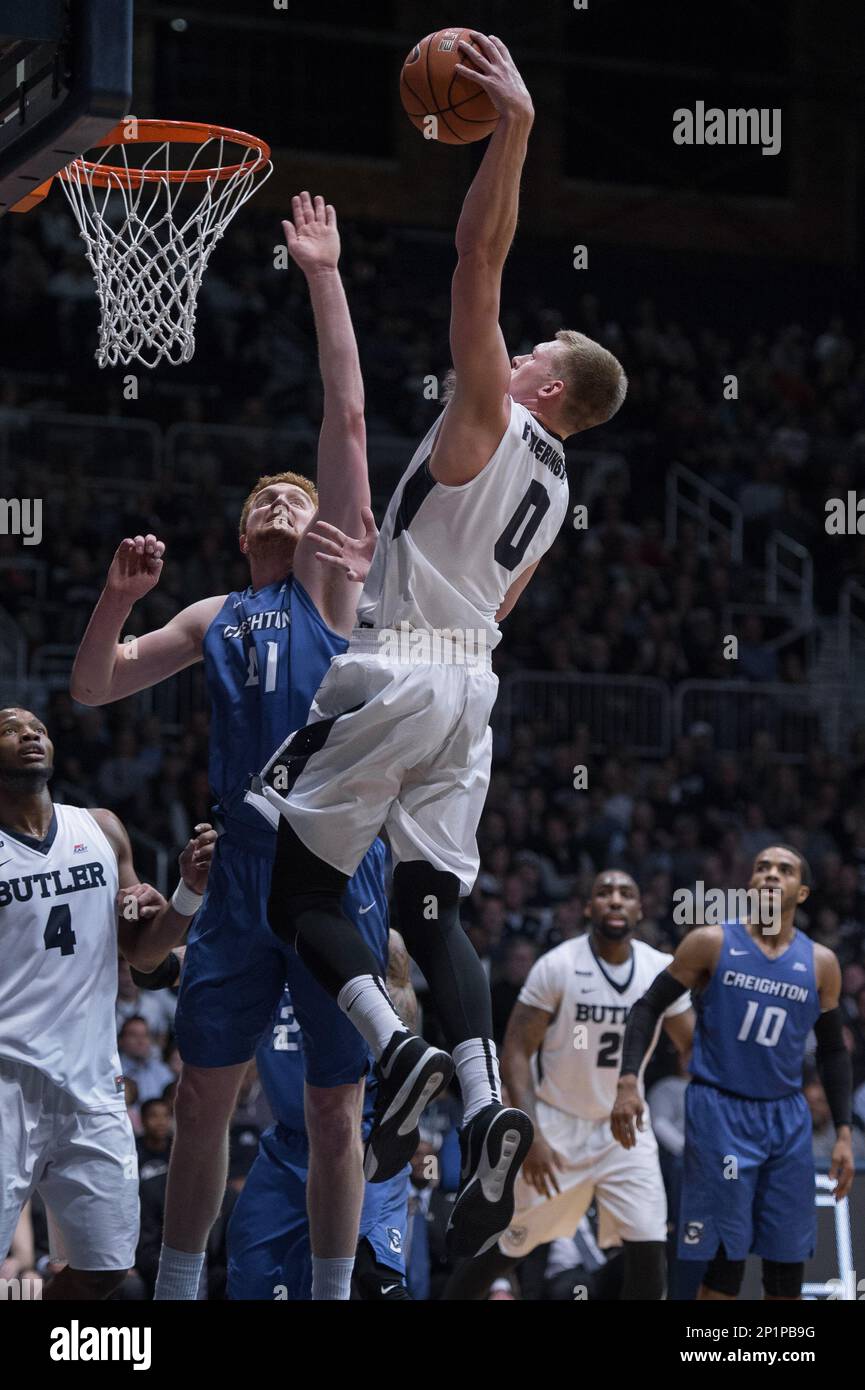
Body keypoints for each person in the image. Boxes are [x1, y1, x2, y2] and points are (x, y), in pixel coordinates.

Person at [259, 31, 628, 1261]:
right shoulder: (560, 492)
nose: (512, 348)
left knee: (299, 888)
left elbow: (479, 253)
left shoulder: (488, 409)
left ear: (547, 391)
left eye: (532, 355)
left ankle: (395, 1044)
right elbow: (500, 604)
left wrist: (514, 129)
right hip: (473, 681)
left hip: (405, 660)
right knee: (429, 908)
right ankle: (481, 1104)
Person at [71, 193, 386, 1302]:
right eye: (269, 494)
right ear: (246, 525)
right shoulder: (213, 614)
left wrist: (322, 274)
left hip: (335, 860)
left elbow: (345, 423)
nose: (286, 499)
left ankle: (335, 1288)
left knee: (331, 1103)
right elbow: (94, 684)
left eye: (300, 495)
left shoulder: (330, 583)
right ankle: (174, 1292)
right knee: (207, 1095)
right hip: (240, 868)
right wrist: (115, 601)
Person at [0, 706, 214, 1300]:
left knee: (108, 1267)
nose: (29, 735)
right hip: (5, 1078)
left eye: (38, 728)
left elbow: (144, 955)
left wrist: (187, 893)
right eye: (11, 729)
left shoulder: (100, 828)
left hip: (90, 1078)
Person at [612, 845, 855, 1301]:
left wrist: (842, 1131)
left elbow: (833, 1052)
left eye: (784, 870)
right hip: (720, 1111)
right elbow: (647, 1007)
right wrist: (629, 1080)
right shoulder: (712, 942)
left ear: (800, 892)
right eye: (762, 867)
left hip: (786, 1117)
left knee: (786, 1267)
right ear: (749, 883)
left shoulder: (821, 963)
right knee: (725, 1260)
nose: (770, 875)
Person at [442, 870, 693, 1299]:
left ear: (639, 908)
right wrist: (531, 1132)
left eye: (626, 893)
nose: (615, 899)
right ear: (589, 908)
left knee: (649, 1247)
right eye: (604, 893)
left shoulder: (659, 970)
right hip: (556, 1125)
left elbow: (693, 1047)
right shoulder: (557, 965)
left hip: (625, 1132)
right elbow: (516, 1051)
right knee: (507, 1246)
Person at [226, 929, 414, 1301]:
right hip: (287, 1146)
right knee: (254, 1282)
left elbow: (405, 1009)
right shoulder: (261, 939)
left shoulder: (376, 939)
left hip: (361, 1141)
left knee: (375, 1279)